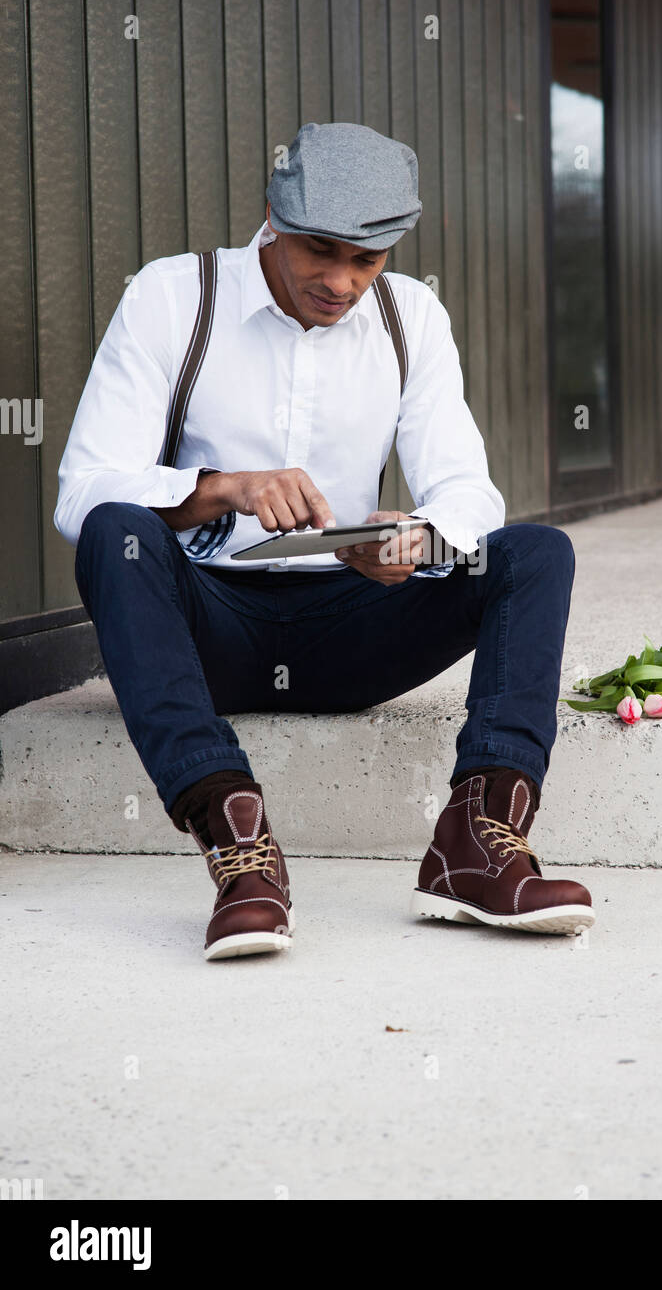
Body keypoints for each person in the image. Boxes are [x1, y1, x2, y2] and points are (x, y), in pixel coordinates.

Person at [55, 121, 594, 961]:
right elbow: (83, 489)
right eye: (322, 251)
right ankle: (241, 851)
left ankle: (478, 840)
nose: (343, 282)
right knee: (115, 532)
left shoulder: (411, 315)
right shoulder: (173, 296)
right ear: (271, 214)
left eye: (368, 259)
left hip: (355, 627)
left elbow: (469, 495)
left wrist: (420, 538)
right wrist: (220, 489)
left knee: (535, 552)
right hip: (208, 629)